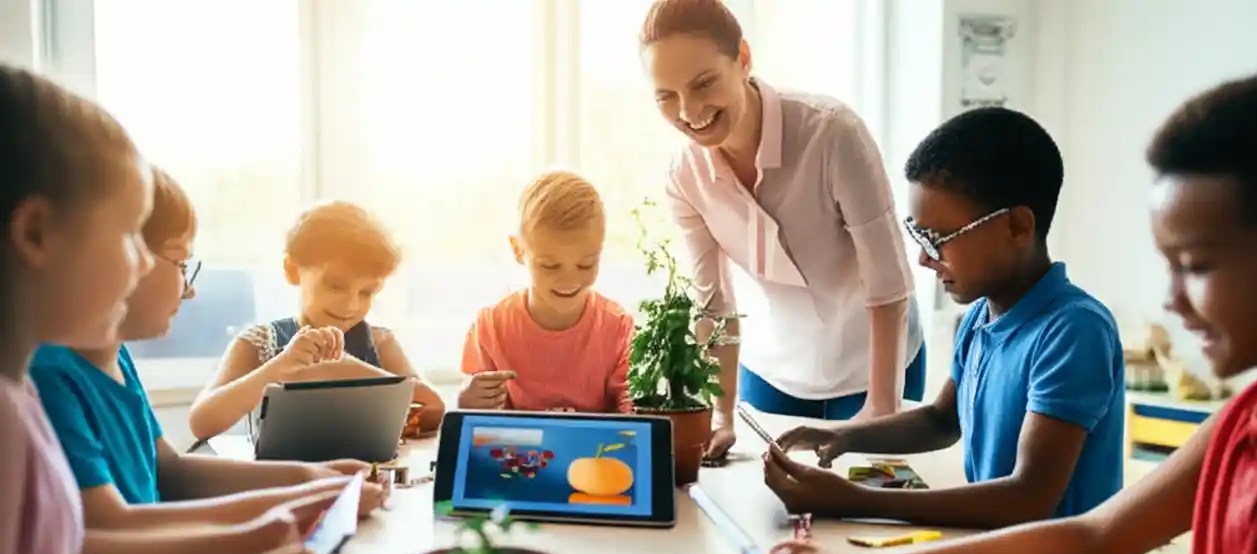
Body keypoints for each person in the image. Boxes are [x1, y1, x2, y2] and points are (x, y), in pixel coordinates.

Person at [751, 72, 1257, 554]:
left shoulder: (1074, 326)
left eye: (1195, 266)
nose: (1170, 301)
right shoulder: (1245, 417)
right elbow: (1090, 538)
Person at [0, 64, 315, 554]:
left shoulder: (19, 395)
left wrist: (256, 533)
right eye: (128, 237)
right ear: (36, 234)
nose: (146, 265)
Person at [770, 107, 1127, 541]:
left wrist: (854, 499)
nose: (924, 257)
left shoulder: (1073, 332)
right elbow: (941, 421)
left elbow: (1028, 498)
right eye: (919, 236)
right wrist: (840, 435)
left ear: (1016, 226)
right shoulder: (979, 317)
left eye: (938, 239)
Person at [28, 168, 380, 554]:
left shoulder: (115, 354)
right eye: (180, 263)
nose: (190, 290)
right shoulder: (46, 372)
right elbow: (110, 527)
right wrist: (284, 513)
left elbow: (168, 470)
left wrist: (310, 480)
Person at [641, 0, 925, 460]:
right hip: (774, 371)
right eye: (665, 96)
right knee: (768, 507)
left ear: (744, 59)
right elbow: (714, 303)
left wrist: (883, 404)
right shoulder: (684, 175)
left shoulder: (832, 134)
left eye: (704, 83)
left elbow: (888, 280)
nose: (688, 111)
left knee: (868, 511)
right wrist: (721, 415)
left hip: (874, 361)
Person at [188, 201, 446, 441]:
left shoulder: (380, 343)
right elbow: (201, 423)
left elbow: (435, 408)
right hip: (285, 483)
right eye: (335, 285)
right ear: (292, 270)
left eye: (366, 292)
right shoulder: (259, 343)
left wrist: (347, 369)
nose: (351, 305)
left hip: (367, 482)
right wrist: (278, 369)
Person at [458, 170, 634, 413]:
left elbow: (634, 414)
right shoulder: (490, 327)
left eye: (586, 264)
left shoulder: (619, 328)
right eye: (549, 266)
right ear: (518, 250)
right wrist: (467, 402)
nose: (569, 279)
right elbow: (479, 423)